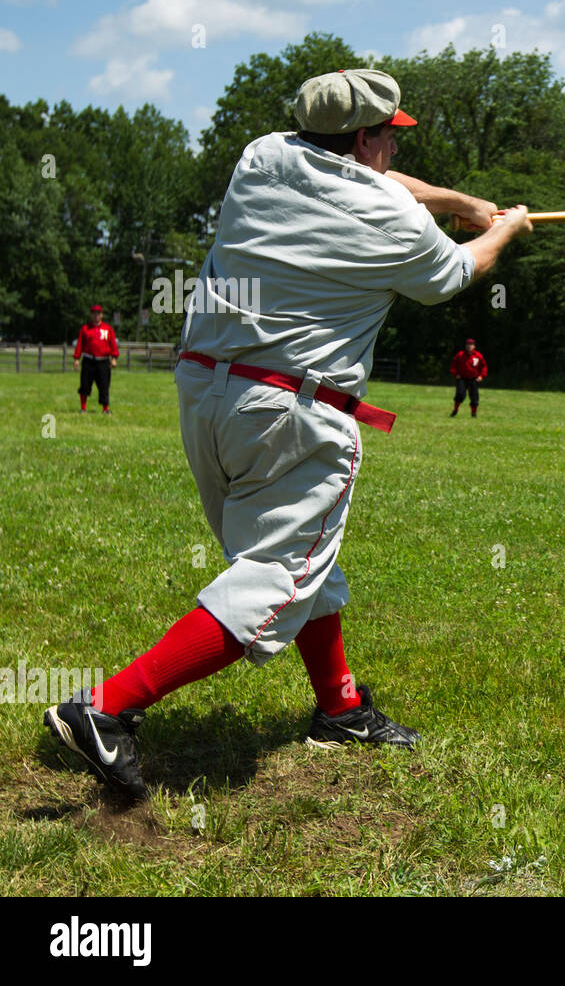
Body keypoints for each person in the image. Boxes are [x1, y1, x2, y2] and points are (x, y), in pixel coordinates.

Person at [44, 68, 533, 799]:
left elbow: (378, 187)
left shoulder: (262, 157)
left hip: (207, 396)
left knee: (304, 562)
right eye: (388, 141)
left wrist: (459, 201)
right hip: (292, 413)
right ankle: (107, 708)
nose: (395, 156)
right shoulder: (390, 219)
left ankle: (339, 707)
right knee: (275, 577)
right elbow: (457, 271)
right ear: (365, 140)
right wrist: (504, 228)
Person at [73, 304, 118, 413]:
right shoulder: (85, 329)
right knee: (85, 385)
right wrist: (77, 358)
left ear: (101, 315)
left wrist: (114, 358)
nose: (96, 316)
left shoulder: (107, 329)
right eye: (94, 313)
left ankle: (105, 409)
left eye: (98, 313)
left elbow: (112, 345)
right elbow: (80, 344)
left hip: (103, 361)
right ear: (91, 315)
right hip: (89, 360)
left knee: (104, 386)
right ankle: (83, 408)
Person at [449, 337, 487, 417]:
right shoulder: (460, 355)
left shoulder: (478, 356)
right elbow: (453, 366)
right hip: (462, 378)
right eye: (468, 344)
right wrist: (456, 374)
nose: (469, 346)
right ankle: (455, 410)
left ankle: (474, 413)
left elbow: (484, 366)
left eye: (471, 344)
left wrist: (481, 376)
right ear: (465, 346)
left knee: (474, 397)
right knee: (460, 394)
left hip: (473, 379)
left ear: (474, 346)